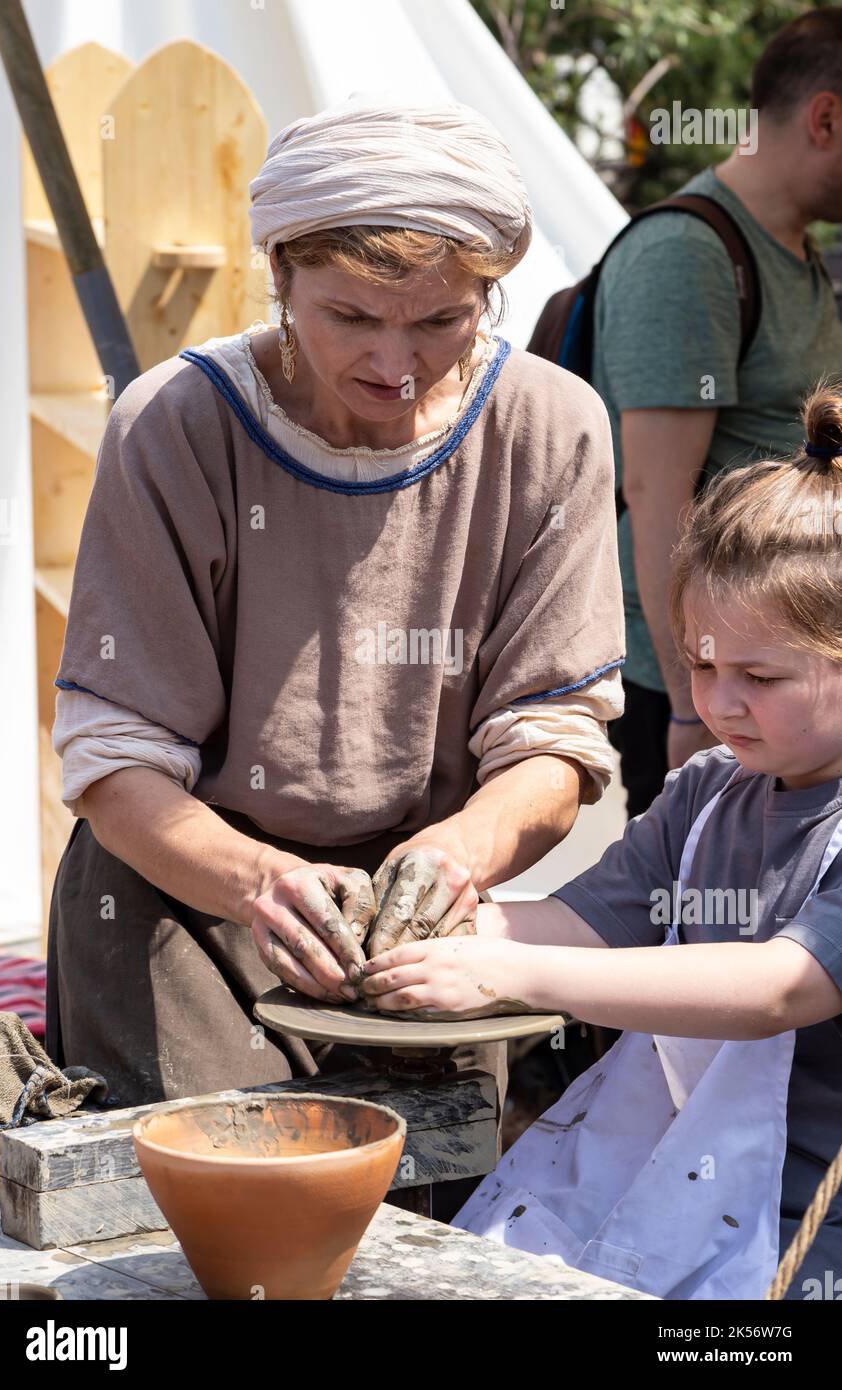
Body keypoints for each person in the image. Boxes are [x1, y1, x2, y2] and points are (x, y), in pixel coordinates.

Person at [44, 98, 626, 1181]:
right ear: (278, 274)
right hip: (184, 882)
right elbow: (112, 759)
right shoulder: (177, 423)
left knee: (428, 1215)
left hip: (423, 904)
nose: (396, 362)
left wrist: (461, 854)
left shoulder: (551, 427)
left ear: (489, 290)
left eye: (440, 320)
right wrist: (259, 882)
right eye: (351, 317)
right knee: (214, 1208)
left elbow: (554, 741)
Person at [359, 383, 842, 1299]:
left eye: (759, 674)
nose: (719, 700)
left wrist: (505, 977)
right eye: (699, 664)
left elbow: (779, 987)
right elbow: (587, 922)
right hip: (672, 1184)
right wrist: (418, 924)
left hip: (802, 1231)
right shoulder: (708, 792)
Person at [595, 7, 842, 817]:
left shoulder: (797, 252)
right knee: (692, 931)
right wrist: (690, 702)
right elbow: (656, 495)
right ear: (827, 117)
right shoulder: (689, 255)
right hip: (707, 693)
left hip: (778, 680)